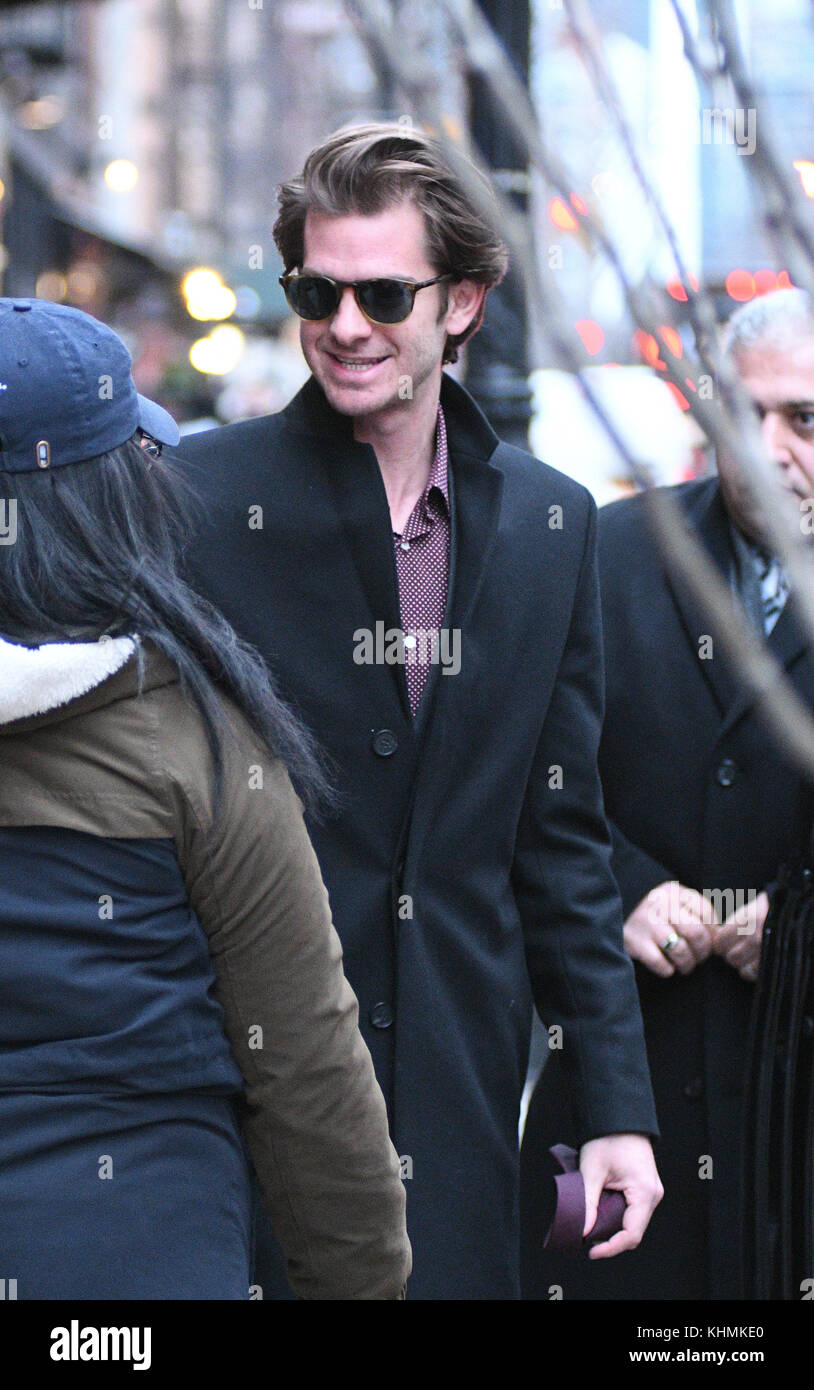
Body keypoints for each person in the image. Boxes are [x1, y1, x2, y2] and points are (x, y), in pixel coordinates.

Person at [177, 122, 662, 1301]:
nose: (345, 325)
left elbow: (561, 842)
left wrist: (614, 1108)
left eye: (384, 294)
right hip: (246, 1097)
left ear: (466, 304)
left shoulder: (554, 524)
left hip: (457, 1099)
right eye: (316, 290)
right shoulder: (198, 500)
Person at [0, 296, 411, 1300]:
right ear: (101, 504)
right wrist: (359, 1280)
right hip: (138, 1254)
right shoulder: (194, 734)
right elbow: (304, 1056)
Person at [520, 286, 814, 1300]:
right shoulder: (605, 551)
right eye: (744, 412)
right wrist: (621, 885)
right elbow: (517, 779)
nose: (770, 447)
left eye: (805, 419)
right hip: (625, 1090)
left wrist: (799, 921)